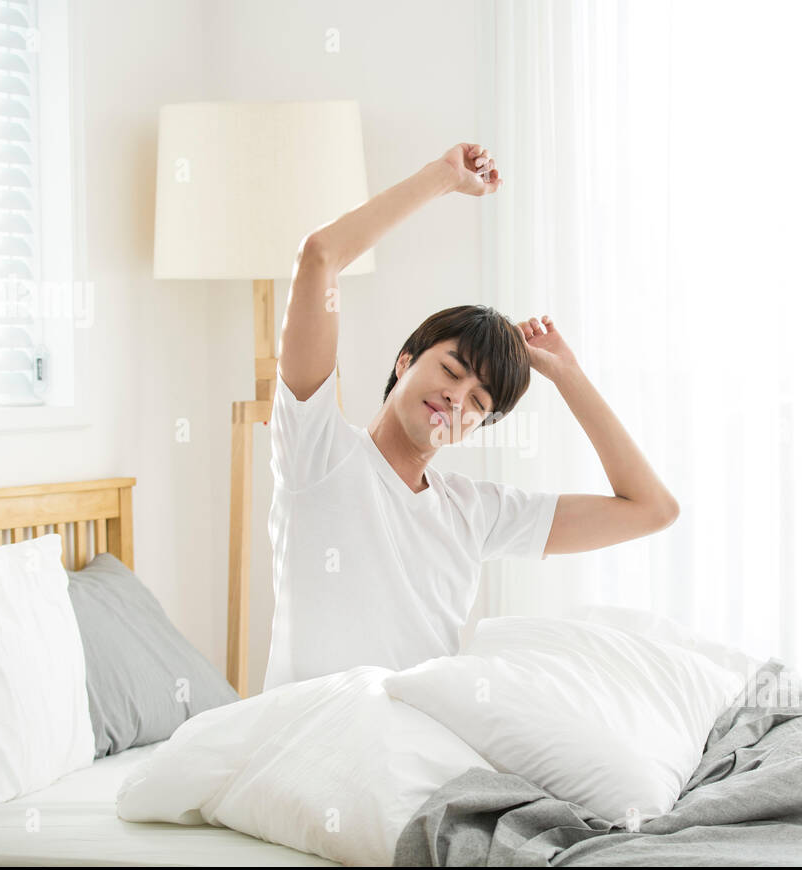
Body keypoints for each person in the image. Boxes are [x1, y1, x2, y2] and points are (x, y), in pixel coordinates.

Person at [262, 142, 679, 692]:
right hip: (320, 742)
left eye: (480, 402)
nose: (458, 399)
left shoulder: (473, 511)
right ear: (405, 360)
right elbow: (319, 255)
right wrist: (443, 177)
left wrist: (567, 375)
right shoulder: (317, 451)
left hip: (423, 747)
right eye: (452, 369)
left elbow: (652, 509)